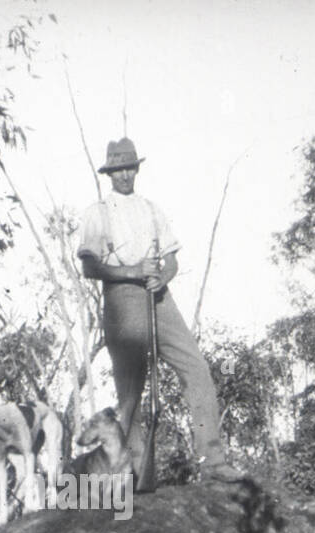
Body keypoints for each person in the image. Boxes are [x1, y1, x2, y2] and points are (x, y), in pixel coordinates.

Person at [77, 137, 243, 487]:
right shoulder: (98, 212)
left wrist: (162, 275)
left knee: (195, 367)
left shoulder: (152, 208)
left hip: (158, 295)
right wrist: (132, 272)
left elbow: (171, 258)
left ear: (137, 168)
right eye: (118, 168)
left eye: (130, 166)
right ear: (109, 173)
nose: (125, 174)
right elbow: (90, 267)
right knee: (131, 391)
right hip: (122, 297)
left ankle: (211, 459)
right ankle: (136, 473)